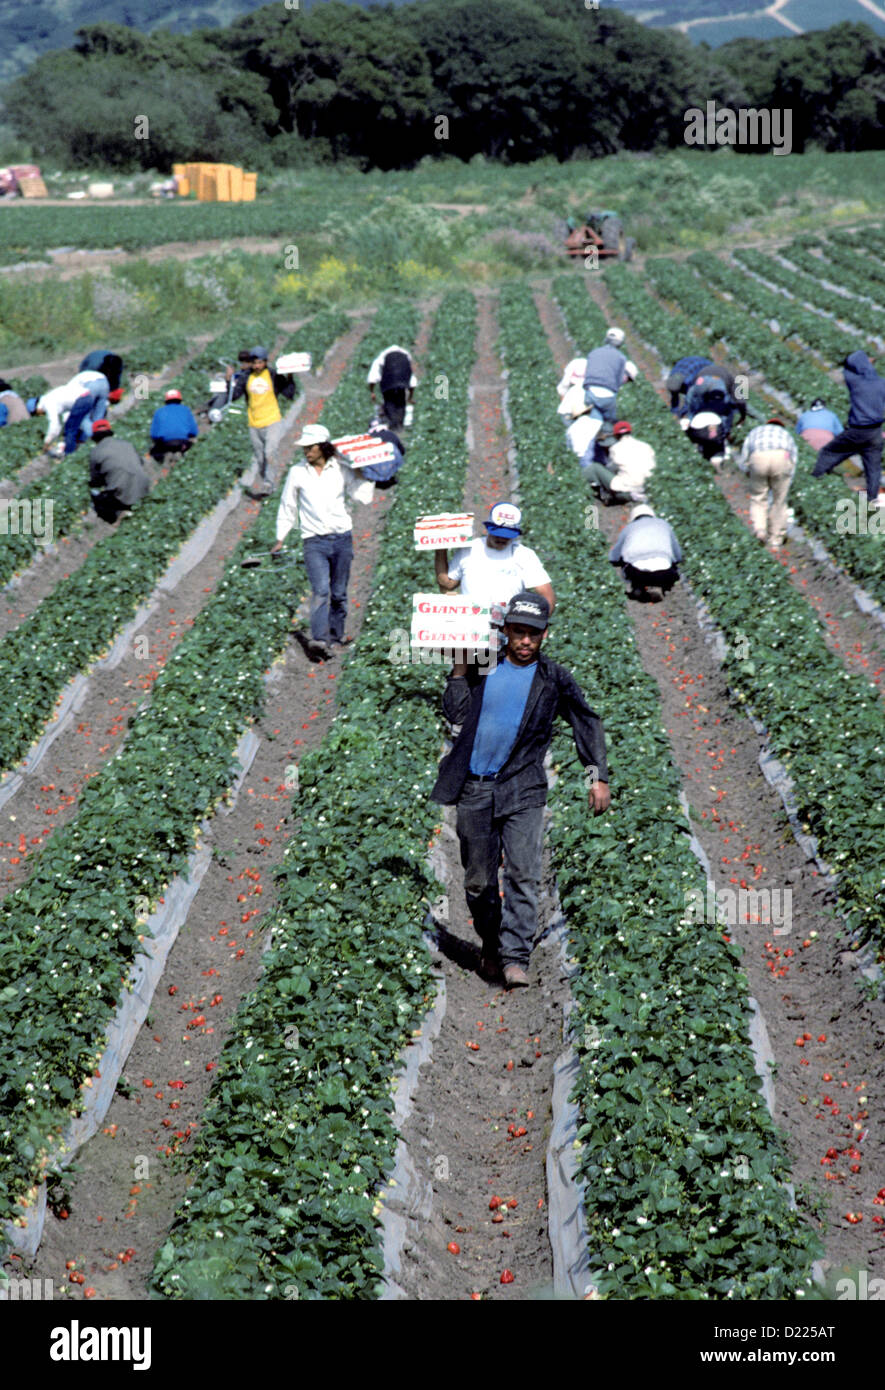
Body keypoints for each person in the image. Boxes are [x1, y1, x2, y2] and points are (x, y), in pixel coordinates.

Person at [430, 591, 610, 988]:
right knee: (478, 881)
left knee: (523, 873)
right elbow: (455, 711)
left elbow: (586, 721)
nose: (525, 641)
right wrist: (459, 668)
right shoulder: (483, 664)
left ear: (544, 635)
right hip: (475, 789)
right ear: (505, 631)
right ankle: (490, 946)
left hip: (523, 788)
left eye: (533, 634)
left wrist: (597, 775)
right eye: (518, 632)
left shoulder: (553, 678)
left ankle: (515, 956)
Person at [271, 423, 374, 661]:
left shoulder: (341, 469)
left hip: (341, 538)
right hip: (313, 540)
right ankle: (319, 639)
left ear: (324, 447)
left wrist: (363, 474)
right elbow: (288, 505)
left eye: (311, 447)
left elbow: (362, 496)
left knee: (339, 593)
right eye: (305, 447)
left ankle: (336, 637)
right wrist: (280, 538)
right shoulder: (297, 472)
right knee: (320, 590)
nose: (306, 451)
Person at [434, 502, 556, 648]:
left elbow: (547, 594)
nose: (502, 539)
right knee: (464, 667)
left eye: (507, 536)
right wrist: (440, 549)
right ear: (488, 528)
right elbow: (447, 583)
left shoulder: (524, 555)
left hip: (507, 628)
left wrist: (537, 624)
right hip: (470, 627)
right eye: (498, 534)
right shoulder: (470, 549)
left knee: (503, 666)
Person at [812, 351, 885, 507]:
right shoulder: (881, 383)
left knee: (830, 452)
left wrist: (862, 362)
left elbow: (849, 366)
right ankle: (872, 498)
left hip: (857, 431)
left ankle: (816, 476)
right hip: (875, 432)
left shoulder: (855, 382)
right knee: (873, 467)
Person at [227, 346, 286, 496]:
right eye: (255, 363)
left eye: (260, 363)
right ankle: (269, 483)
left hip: (272, 419)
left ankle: (269, 483)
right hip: (254, 423)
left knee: (269, 452)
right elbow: (234, 396)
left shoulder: (272, 375)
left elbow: (289, 391)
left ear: (266, 362)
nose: (257, 366)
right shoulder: (246, 377)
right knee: (260, 458)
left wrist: (290, 377)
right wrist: (229, 381)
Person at [740, 417, 798, 549]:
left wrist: (747, 471)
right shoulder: (786, 435)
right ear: (781, 426)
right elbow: (794, 458)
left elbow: (745, 454)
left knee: (758, 498)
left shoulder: (756, 431)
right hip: (781, 457)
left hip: (759, 456)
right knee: (779, 500)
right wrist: (788, 478)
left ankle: (760, 529)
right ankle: (775, 538)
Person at [27, 369, 110, 456]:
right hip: (101, 385)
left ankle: (70, 454)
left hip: (84, 395)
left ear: (37, 407)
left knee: (72, 428)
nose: (40, 415)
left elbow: (54, 424)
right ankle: (103, 441)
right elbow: (58, 425)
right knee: (97, 420)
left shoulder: (48, 403)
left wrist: (47, 442)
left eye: (36, 413)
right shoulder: (52, 396)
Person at [609, 504, 682, 601]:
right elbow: (678, 556)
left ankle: (638, 587)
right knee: (673, 565)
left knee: (624, 560)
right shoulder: (664, 525)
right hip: (665, 573)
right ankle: (665, 587)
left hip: (638, 574)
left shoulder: (629, 528)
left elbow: (614, 557)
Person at [88, 420, 149, 523]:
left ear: (95, 437)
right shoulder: (127, 444)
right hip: (144, 489)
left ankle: (112, 521)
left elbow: (96, 481)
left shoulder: (96, 452)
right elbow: (141, 462)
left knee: (96, 498)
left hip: (121, 497)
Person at [582, 420, 655, 504]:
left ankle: (604, 495)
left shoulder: (615, 448)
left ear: (615, 435)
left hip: (628, 487)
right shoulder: (646, 446)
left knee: (594, 467)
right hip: (646, 486)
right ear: (630, 432)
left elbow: (611, 469)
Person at [582, 327, 637, 425]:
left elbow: (586, 373)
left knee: (592, 421)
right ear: (620, 343)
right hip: (608, 396)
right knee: (608, 424)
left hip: (590, 392)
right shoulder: (621, 358)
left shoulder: (593, 353)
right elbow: (619, 381)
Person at [367, 344, 416, 432]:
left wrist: (372, 391)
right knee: (401, 403)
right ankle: (400, 426)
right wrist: (410, 397)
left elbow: (373, 375)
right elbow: (411, 377)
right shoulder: (406, 356)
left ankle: (393, 427)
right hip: (402, 382)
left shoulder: (382, 357)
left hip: (388, 382)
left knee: (390, 404)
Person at [149, 389, 199, 462]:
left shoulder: (159, 411)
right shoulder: (186, 410)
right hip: (182, 442)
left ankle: (163, 460)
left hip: (166, 443)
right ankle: (183, 459)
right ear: (180, 400)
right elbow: (194, 432)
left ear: (166, 401)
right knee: (193, 443)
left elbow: (154, 434)